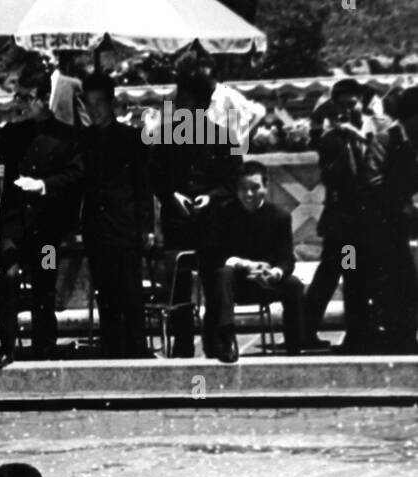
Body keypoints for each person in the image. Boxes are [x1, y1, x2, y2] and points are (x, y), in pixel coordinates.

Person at [0, 72, 84, 368]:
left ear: (43, 100)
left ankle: (45, 346)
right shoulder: (14, 131)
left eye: (26, 97)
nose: (20, 103)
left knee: (45, 285)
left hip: (48, 229)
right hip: (14, 225)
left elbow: (76, 174)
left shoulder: (65, 136)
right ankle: (7, 346)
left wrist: (44, 185)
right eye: (17, 96)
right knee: (8, 276)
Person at [148, 59, 243, 359]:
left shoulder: (224, 137)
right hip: (177, 222)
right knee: (178, 285)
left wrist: (211, 197)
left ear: (201, 105)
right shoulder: (164, 136)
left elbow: (233, 181)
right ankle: (183, 342)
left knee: (215, 280)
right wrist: (171, 195)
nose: (179, 107)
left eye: (186, 102)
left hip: (210, 224)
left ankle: (216, 340)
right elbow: (154, 177)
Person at [80, 72, 153, 359]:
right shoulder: (83, 140)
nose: (94, 109)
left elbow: (143, 187)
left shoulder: (131, 139)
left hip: (125, 228)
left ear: (111, 103)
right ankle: (110, 359)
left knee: (132, 297)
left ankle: (138, 356)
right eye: (89, 103)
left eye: (99, 102)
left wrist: (147, 227)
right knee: (105, 298)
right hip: (96, 229)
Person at [304, 78, 379, 352]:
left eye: (353, 104)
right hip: (344, 227)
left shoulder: (372, 133)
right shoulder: (331, 140)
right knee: (347, 274)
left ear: (362, 103)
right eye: (343, 106)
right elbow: (334, 177)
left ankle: (314, 328)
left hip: (363, 222)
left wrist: (357, 137)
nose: (349, 111)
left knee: (342, 274)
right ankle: (349, 333)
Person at [212, 162, 306, 360]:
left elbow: (287, 260)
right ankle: (227, 337)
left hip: (266, 281)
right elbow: (218, 255)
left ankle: (295, 349)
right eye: (243, 189)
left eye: (255, 188)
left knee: (294, 285)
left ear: (266, 186)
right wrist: (246, 265)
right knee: (223, 273)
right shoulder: (224, 214)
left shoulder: (280, 216)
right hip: (236, 282)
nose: (248, 195)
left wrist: (274, 273)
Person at [363, 86, 418, 355]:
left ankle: (405, 334)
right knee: (386, 280)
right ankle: (392, 336)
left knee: (406, 280)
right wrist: (404, 204)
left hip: (403, 224)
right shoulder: (385, 139)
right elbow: (373, 183)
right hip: (376, 226)